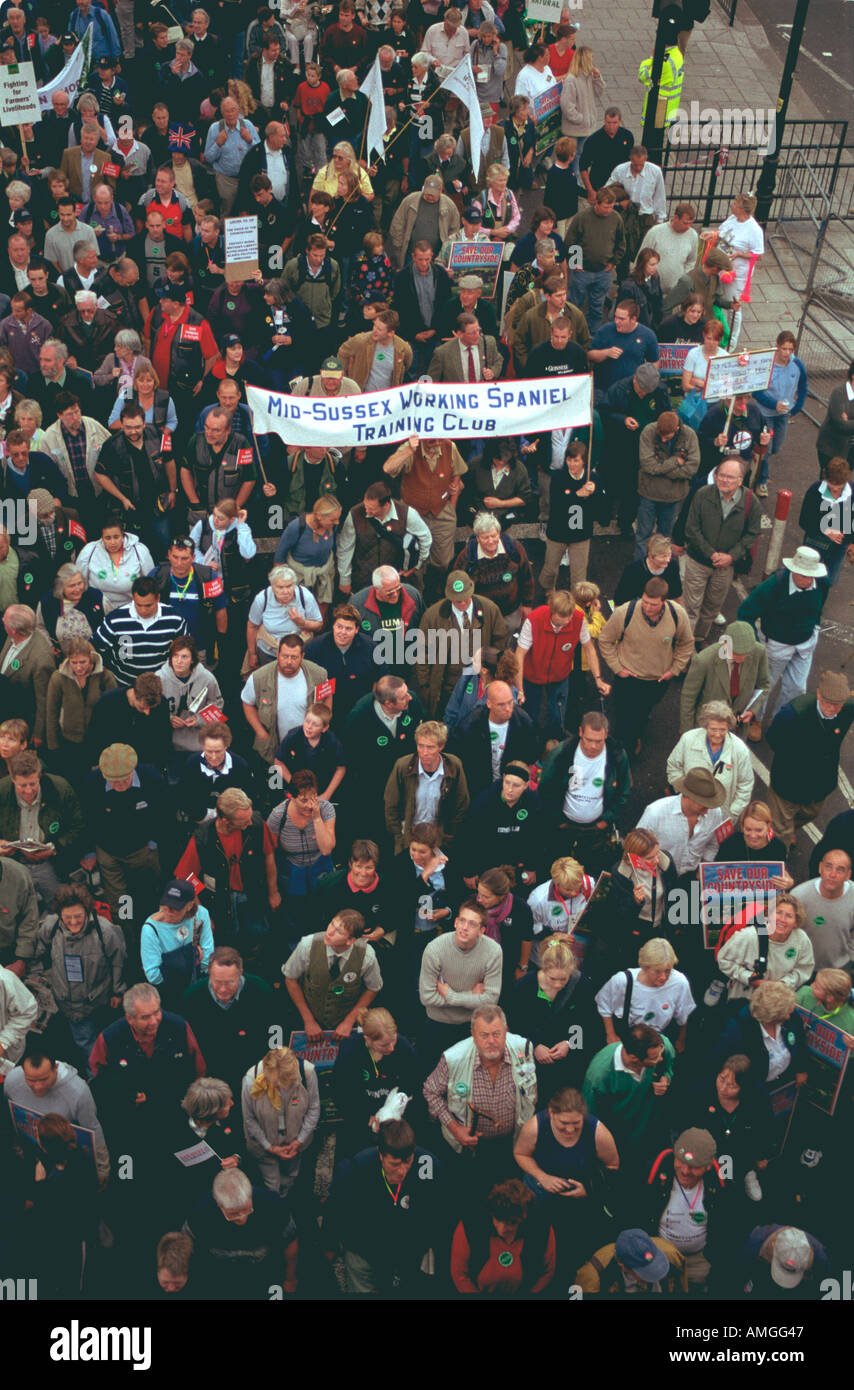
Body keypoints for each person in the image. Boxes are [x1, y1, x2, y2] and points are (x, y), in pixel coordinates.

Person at [324, 1118, 445, 1296]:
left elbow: (437, 1213)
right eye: (394, 1164)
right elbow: (335, 1212)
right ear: (380, 1155)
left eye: (408, 1162)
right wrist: (330, 1246)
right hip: (363, 1252)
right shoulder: (354, 1170)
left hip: (407, 1253)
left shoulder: (429, 1165)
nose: (402, 1171)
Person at [737, 545, 830, 733]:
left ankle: (779, 722)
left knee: (797, 688)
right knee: (764, 685)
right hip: (775, 645)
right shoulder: (773, 586)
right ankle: (756, 719)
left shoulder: (823, 582)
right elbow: (744, 613)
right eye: (803, 575)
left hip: (805, 643)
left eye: (810, 575)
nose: (807, 579)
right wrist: (756, 645)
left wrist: (816, 628)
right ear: (793, 570)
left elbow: (820, 606)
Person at [597, 579, 695, 756]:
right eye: (645, 602)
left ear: (664, 601)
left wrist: (674, 669)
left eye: (653, 604)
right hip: (628, 678)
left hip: (657, 680)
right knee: (623, 717)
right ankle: (622, 752)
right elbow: (605, 639)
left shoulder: (677, 614)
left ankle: (633, 737)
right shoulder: (625, 612)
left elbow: (686, 643)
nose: (647, 607)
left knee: (642, 713)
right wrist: (617, 668)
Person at [174, 787, 280, 946]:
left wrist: (273, 892)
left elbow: (269, 855)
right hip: (219, 901)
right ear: (225, 820)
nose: (250, 823)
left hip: (253, 894)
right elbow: (186, 877)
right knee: (228, 940)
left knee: (257, 935)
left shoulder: (257, 825)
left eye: (250, 816)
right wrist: (201, 912)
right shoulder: (202, 838)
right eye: (244, 821)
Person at [765, 669, 854, 847]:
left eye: (837, 704)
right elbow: (773, 737)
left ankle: (790, 830)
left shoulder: (849, 708)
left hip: (819, 784)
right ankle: (779, 858)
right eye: (827, 702)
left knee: (810, 814)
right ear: (818, 694)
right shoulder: (793, 713)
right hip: (788, 782)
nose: (831, 709)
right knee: (779, 832)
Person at [538, 711, 631, 874]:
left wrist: (607, 819)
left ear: (606, 735)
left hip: (597, 829)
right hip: (564, 826)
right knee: (560, 866)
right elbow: (546, 790)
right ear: (580, 732)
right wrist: (557, 819)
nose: (593, 746)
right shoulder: (562, 754)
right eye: (589, 740)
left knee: (593, 865)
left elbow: (624, 790)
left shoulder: (617, 755)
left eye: (599, 741)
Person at [510, 936, 602, 1098]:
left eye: (563, 979)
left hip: (566, 1064)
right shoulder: (525, 987)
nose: (558, 984)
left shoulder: (581, 986)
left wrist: (570, 1043)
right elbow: (516, 1023)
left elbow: (589, 1023)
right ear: (542, 969)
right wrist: (534, 1046)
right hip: (530, 1063)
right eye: (552, 978)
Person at [682, 457, 762, 643]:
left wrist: (731, 557)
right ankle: (684, 644)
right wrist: (711, 553)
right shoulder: (702, 494)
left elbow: (752, 534)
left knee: (711, 607)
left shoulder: (752, 502)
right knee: (691, 607)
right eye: (722, 475)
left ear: (740, 481)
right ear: (716, 476)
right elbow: (691, 528)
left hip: (725, 567)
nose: (725, 480)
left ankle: (699, 638)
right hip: (697, 562)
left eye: (731, 477)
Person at [185, 1167, 298, 1299]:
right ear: (217, 1202)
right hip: (219, 1268)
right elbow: (185, 1244)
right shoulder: (201, 1212)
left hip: (262, 1265)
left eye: (246, 1209)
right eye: (233, 1214)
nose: (242, 1219)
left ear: (250, 1194)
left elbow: (290, 1242)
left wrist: (290, 1278)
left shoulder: (273, 1204)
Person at [641, 1127, 730, 1293]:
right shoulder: (656, 1171)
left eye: (694, 1167)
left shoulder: (719, 1184)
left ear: (708, 1166)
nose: (685, 1171)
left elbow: (725, 1227)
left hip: (699, 1260)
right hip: (660, 1256)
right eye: (680, 1162)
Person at [5, 1046, 110, 1184]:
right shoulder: (12, 1081)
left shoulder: (78, 1092)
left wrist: (102, 1170)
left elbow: (93, 1129)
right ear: (22, 1071)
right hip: (29, 1154)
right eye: (31, 1080)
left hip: (64, 1162)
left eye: (43, 1079)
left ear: (55, 1068)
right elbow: (11, 1117)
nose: (38, 1087)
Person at [515, 589, 610, 742]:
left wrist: (598, 678)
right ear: (552, 612)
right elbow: (520, 654)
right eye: (562, 617)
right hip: (532, 676)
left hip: (560, 675)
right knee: (531, 714)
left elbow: (589, 648)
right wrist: (520, 689)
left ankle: (554, 744)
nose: (567, 621)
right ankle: (531, 742)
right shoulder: (534, 620)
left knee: (557, 715)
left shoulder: (578, 619)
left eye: (569, 616)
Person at [331, 1007, 423, 1161]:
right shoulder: (350, 1050)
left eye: (393, 1040)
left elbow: (414, 1084)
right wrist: (365, 1116)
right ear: (368, 1039)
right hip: (361, 1118)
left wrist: (393, 1111)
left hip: (395, 1118)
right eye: (384, 1045)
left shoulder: (404, 1047)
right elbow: (341, 1093)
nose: (391, 1048)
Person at [582, 1023, 674, 1169]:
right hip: (620, 1138)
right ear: (634, 1058)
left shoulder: (660, 1047)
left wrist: (666, 1078)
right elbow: (591, 1121)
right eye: (655, 1059)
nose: (660, 1059)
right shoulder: (599, 1077)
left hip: (650, 1128)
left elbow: (668, 1063)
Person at [283, 910, 383, 1041]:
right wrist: (308, 1020)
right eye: (332, 924)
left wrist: (349, 1021)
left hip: (345, 1017)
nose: (329, 932)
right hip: (309, 1013)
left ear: (350, 940)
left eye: (339, 932)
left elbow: (373, 988)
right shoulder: (307, 944)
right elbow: (290, 978)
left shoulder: (366, 955)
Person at [451, 1178, 556, 1294]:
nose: (502, 1229)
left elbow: (547, 1272)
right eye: (498, 1219)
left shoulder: (541, 1229)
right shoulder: (470, 1226)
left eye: (511, 1223)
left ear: (524, 1217)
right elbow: (460, 1275)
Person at [241, 1045, 320, 1197]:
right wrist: (269, 1146)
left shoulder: (308, 1072)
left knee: (290, 1178)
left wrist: (299, 1141)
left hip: (296, 1143)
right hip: (263, 1145)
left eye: (282, 1084)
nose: (278, 1088)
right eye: (274, 1083)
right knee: (271, 1183)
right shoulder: (251, 1079)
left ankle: (284, 1200)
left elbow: (314, 1109)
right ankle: (275, 1207)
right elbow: (249, 1119)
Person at [241, 632, 329, 765]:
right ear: (277, 655)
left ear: (302, 657)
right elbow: (247, 703)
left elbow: (328, 695)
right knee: (275, 781)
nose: (288, 662)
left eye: (294, 657)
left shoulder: (318, 674)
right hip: (273, 745)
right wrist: (260, 731)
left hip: (307, 744)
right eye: (285, 656)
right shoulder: (259, 677)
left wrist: (323, 721)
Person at [384, 718, 470, 853]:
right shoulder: (403, 766)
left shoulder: (454, 766)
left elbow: (461, 805)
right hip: (409, 839)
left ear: (441, 746)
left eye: (430, 747)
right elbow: (391, 806)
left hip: (439, 840)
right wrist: (399, 839)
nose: (424, 752)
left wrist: (448, 838)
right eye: (420, 746)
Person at [596, 938, 695, 1050]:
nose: (663, 977)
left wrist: (680, 1041)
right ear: (645, 967)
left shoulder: (680, 982)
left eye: (668, 971)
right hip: (628, 1037)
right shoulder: (623, 980)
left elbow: (683, 1016)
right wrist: (611, 1035)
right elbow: (604, 1005)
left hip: (659, 1039)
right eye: (657, 971)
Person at [451, 681, 538, 804]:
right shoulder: (470, 726)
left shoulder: (524, 724)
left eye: (510, 702)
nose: (508, 709)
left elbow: (530, 756)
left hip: (511, 792)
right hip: (478, 789)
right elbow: (462, 760)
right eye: (501, 705)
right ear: (489, 704)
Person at [337, 483, 432, 597]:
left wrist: (417, 565)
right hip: (363, 580)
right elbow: (345, 549)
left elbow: (425, 538)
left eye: (372, 509)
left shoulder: (407, 513)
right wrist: (345, 580)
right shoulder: (355, 514)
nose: (366, 511)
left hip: (395, 580)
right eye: (365, 505)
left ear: (386, 505)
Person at [717, 894, 814, 1003]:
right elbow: (723, 960)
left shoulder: (801, 939)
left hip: (780, 998)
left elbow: (804, 968)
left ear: (796, 922)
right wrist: (748, 977)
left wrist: (783, 984)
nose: (782, 919)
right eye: (779, 913)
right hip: (745, 998)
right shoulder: (748, 936)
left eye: (789, 916)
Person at [679, 620, 769, 736]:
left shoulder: (759, 652)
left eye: (745, 655)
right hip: (708, 727)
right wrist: (687, 733)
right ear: (725, 643)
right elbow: (688, 698)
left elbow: (764, 686)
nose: (741, 659)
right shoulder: (703, 660)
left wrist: (752, 710)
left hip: (738, 728)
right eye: (735, 654)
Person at [715, 981, 808, 1093]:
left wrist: (801, 1069)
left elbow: (801, 1043)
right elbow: (735, 1069)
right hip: (754, 1089)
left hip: (783, 1083)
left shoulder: (792, 1016)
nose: (790, 1014)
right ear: (771, 1017)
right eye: (786, 1013)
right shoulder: (738, 1031)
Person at [667, 700, 754, 820]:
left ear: (729, 727)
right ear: (705, 726)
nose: (718, 734)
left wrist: (732, 813)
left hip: (721, 816)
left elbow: (745, 784)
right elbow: (673, 766)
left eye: (723, 730)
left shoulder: (740, 749)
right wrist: (682, 791)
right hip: (689, 809)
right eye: (713, 729)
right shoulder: (688, 739)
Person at [637, 767, 728, 880]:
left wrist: (703, 870)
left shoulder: (715, 813)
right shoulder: (655, 812)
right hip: (658, 877)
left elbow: (712, 845)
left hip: (693, 877)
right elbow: (636, 850)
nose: (708, 809)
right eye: (704, 804)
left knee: (690, 898)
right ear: (688, 796)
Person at [140, 879, 215, 1011]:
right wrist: (193, 954)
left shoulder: (201, 914)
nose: (168, 911)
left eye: (175, 908)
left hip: (197, 981)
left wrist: (172, 962)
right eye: (165, 905)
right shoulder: (150, 929)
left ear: (190, 905)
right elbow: (154, 975)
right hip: (170, 992)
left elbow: (207, 956)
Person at [635, 411, 700, 561]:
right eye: (661, 434)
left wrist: (662, 469)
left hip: (673, 497)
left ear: (677, 428)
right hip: (649, 494)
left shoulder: (689, 435)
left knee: (665, 537)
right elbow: (648, 466)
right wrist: (675, 462)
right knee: (643, 535)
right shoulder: (648, 432)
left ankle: (662, 567)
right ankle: (641, 567)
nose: (663, 439)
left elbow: (692, 468)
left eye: (667, 436)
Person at [565, 188, 626, 334]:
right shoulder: (582, 218)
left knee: (597, 308)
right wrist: (575, 263)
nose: (608, 210)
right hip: (582, 271)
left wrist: (613, 262)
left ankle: (592, 336)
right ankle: (569, 332)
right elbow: (570, 241)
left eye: (611, 207)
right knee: (573, 306)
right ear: (596, 204)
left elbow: (621, 244)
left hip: (603, 272)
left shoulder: (616, 218)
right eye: (606, 207)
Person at [0, 603, 56, 745]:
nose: (2, 620)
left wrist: (38, 733)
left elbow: (44, 700)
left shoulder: (41, 660)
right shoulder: (14, 635)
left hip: (19, 718)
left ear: (14, 630)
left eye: (4, 619)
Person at [76, 518, 155, 616]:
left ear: (123, 535)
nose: (113, 542)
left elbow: (150, 583)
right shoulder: (89, 551)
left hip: (132, 609)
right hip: (97, 608)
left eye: (116, 537)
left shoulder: (139, 551)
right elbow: (79, 582)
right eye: (108, 538)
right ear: (102, 537)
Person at [791, 850, 854, 973]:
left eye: (840, 870)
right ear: (820, 868)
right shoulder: (799, 896)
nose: (832, 874)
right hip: (803, 969)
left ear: (848, 875)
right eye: (828, 867)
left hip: (840, 970)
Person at [799, 457, 854, 585]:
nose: (835, 490)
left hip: (839, 546)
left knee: (829, 580)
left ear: (846, 481)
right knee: (807, 577)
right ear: (825, 479)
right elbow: (804, 520)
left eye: (839, 487)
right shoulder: (815, 491)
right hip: (815, 541)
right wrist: (826, 531)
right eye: (831, 486)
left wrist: (852, 542)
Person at [637, 203, 699, 309]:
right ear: (676, 218)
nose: (688, 227)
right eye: (685, 223)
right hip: (651, 290)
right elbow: (641, 258)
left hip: (675, 293)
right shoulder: (655, 232)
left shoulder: (693, 235)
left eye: (690, 223)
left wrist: (683, 279)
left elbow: (691, 261)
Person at [615, 534, 683, 606]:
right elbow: (620, 600)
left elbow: (676, 596)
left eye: (669, 555)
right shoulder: (633, 570)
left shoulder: (672, 567)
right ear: (650, 556)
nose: (668, 560)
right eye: (663, 556)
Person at [816, 359, 854, 478]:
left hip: (850, 450)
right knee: (829, 482)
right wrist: (845, 422)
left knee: (843, 482)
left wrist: (848, 421)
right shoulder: (839, 393)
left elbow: (847, 425)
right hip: (831, 449)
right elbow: (840, 425)